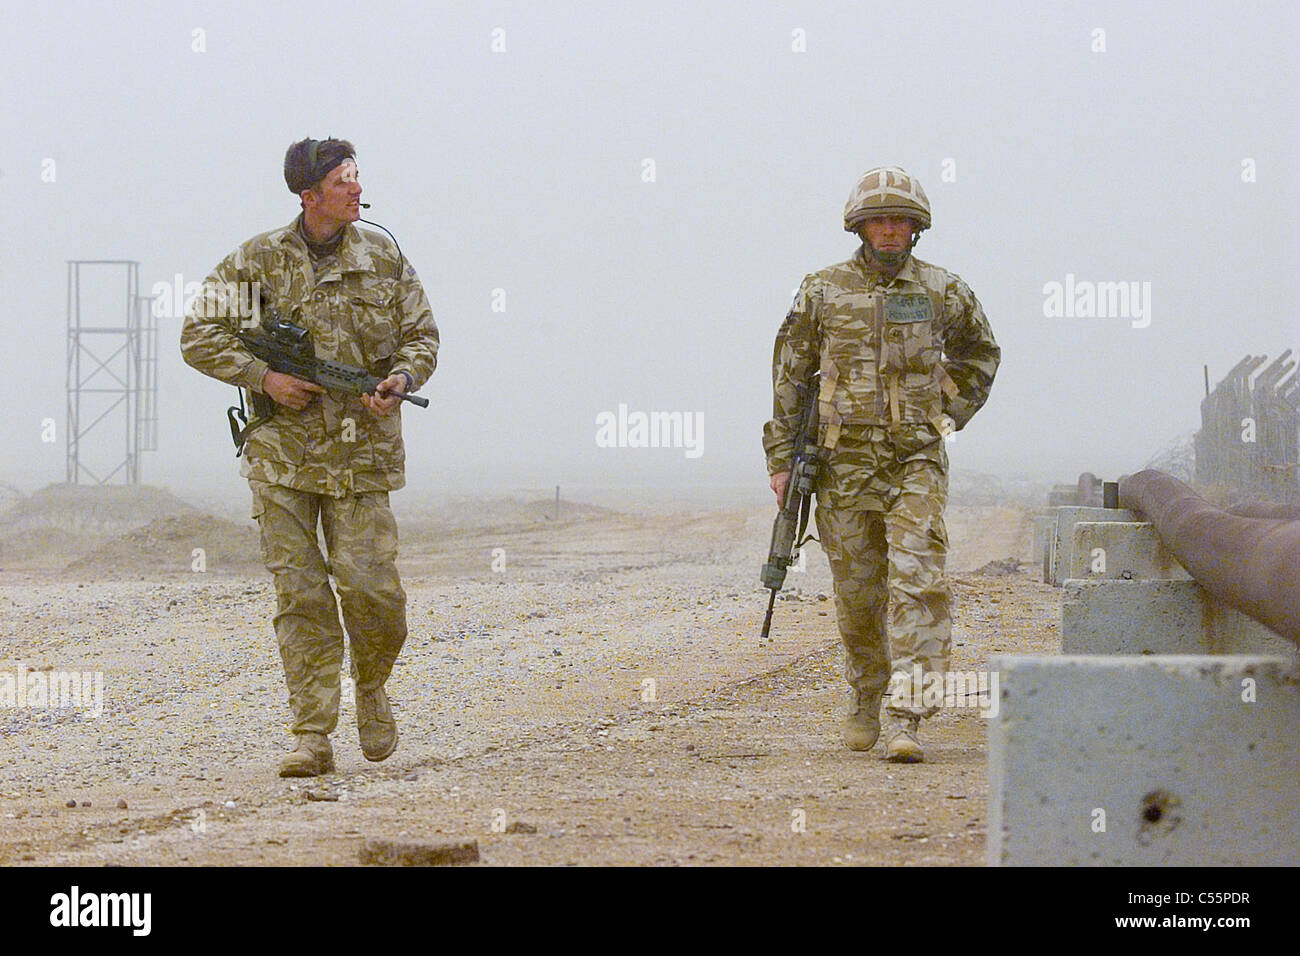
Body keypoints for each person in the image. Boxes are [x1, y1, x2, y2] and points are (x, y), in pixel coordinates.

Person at [180, 137, 439, 777]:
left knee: (372, 590)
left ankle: (372, 687)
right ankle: (313, 733)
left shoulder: (383, 256)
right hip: (281, 456)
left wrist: (402, 380)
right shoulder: (258, 261)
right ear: (309, 193)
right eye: (344, 179)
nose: (357, 188)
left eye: (357, 177)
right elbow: (198, 333)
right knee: (300, 596)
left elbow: (422, 336)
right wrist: (264, 377)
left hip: (362, 456)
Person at [762, 166, 999, 763]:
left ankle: (907, 717)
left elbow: (981, 354)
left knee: (918, 581)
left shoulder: (944, 290)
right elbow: (791, 374)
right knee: (859, 592)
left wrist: (944, 419)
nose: (890, 230)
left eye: (901, 220)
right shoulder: (822, 291)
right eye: (879, 220)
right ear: (860, 226)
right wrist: (781, 458)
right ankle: (868, 695)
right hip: (841, 465)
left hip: (914, 460)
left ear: (916, 228)